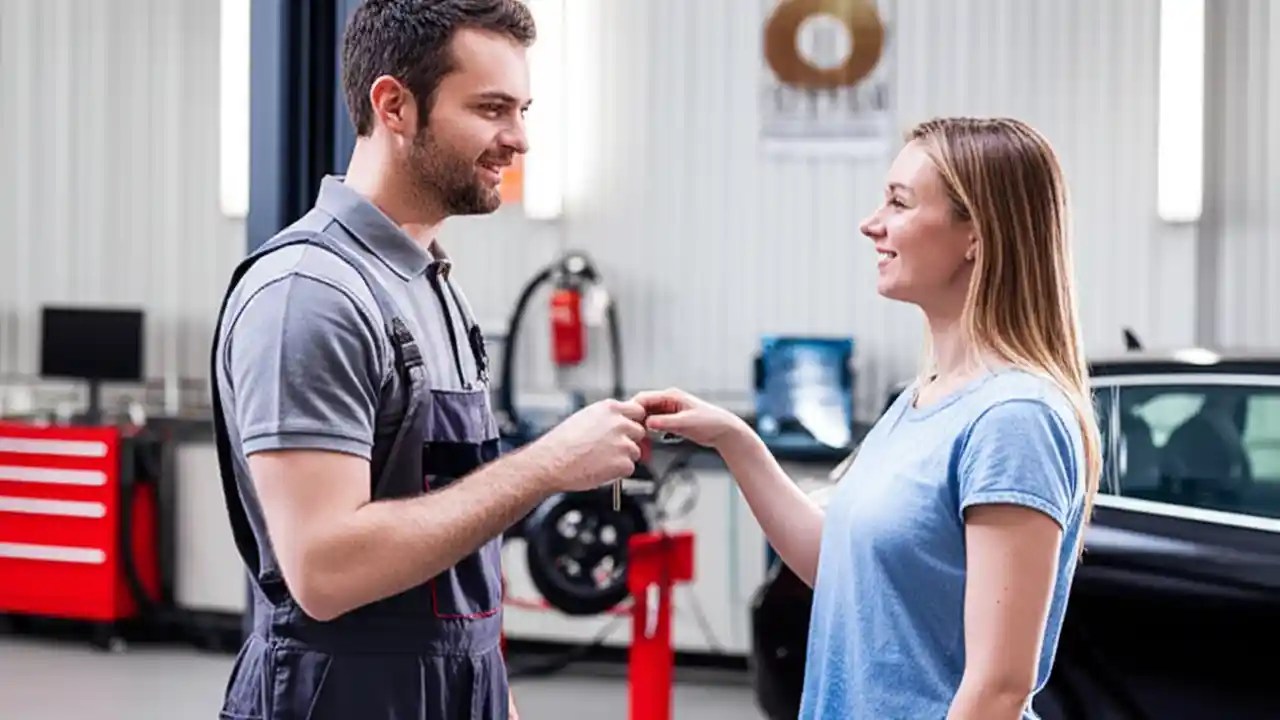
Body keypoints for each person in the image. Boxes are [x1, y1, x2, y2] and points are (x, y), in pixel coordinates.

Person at [209, 2, 649, 718]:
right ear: (395, 106)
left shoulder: (429, 283)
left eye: (523, 109)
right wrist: (547, 465)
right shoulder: (311, 295)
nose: (520, 139)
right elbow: (323, 567)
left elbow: (453, 551)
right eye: (492, 109)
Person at [634, 117, 1102, 719]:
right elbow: (843, 567)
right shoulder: (920, 400)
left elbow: (998, 688)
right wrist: (733, 438)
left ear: (976, 236)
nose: (870, 223)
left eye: (899, 203)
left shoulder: (1013, 420)